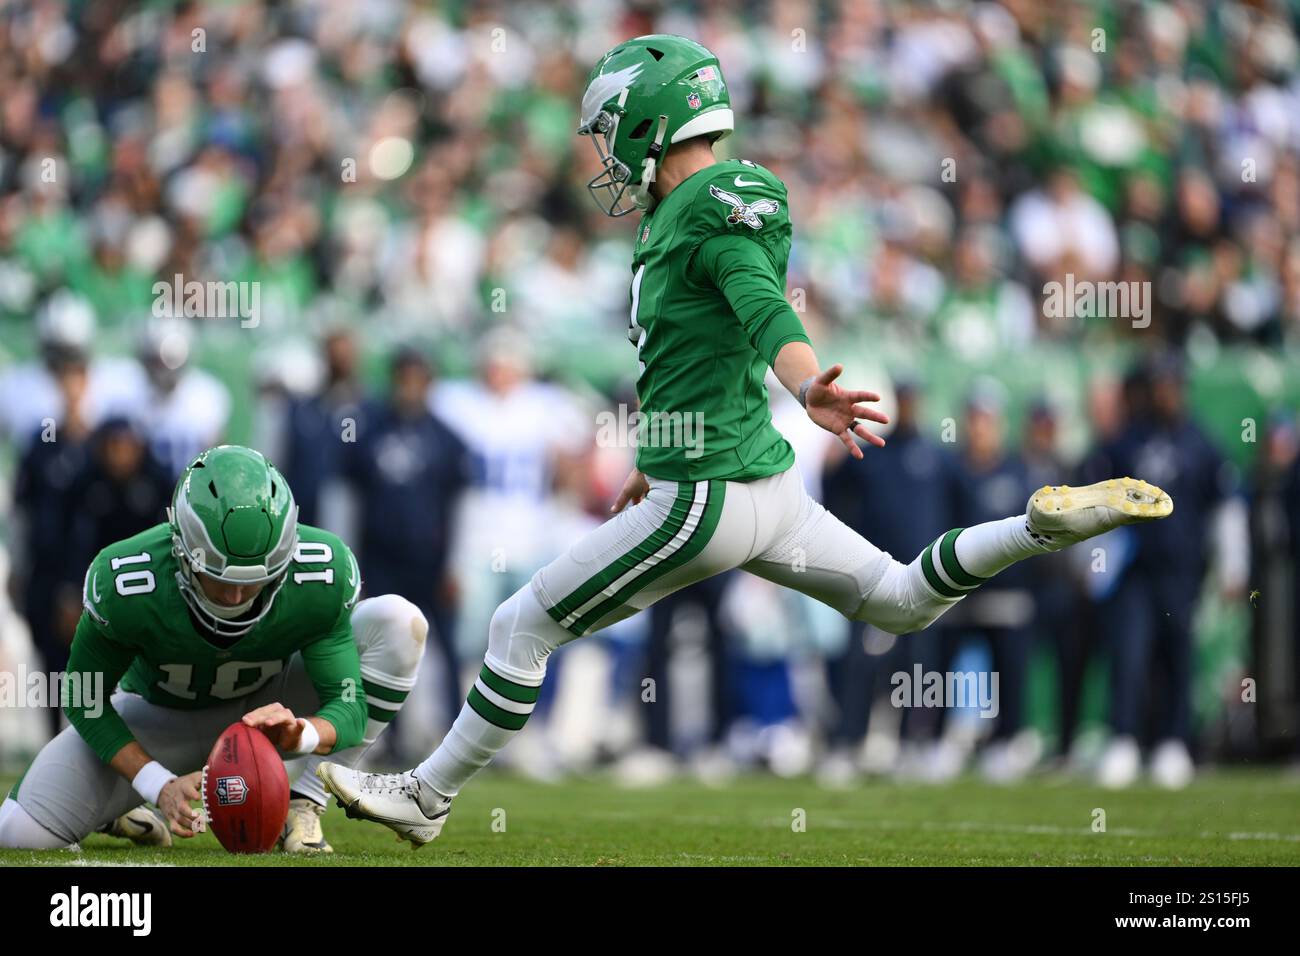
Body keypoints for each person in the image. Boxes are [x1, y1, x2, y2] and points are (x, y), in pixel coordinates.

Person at [316, 35, 1173, 846]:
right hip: (758, 493)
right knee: (904, 600)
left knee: (518, 625)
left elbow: (763, 306)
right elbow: (697, 359)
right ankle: (1037, 529)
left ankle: (428, 794)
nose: (607, 155)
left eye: (614, 132)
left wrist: (806, 384)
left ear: (650, 124)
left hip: (710, 498)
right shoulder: (701, 207)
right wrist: (652, 467)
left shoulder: (707, 213)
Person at [0, 445, 426, 854]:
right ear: (182, 549)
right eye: (220, 578)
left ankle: (306, 801)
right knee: (19, 832)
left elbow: (349, 707)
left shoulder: (320, 573)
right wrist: (156, 783)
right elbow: (82, 696)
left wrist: (304, 731)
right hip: (160, 718)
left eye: (255, 580)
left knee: (398, 622)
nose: (237, 595)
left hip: (267, 711)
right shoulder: (128, 581)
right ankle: (124, 802)